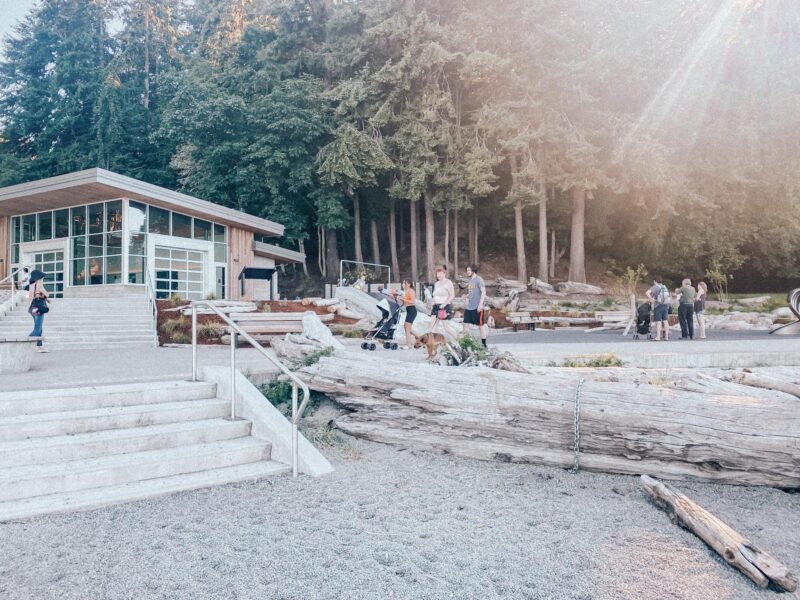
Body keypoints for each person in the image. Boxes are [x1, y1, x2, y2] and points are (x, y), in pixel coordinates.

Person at [462, 263, 488, 347]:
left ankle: (484, 345)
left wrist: (480, 305)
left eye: (469, 270)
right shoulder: (470, 281)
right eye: (467, 270)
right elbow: (471, 293)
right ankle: (466, 343)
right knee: (465, 325)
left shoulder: (479, 279)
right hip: (469, 307)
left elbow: (483, 292)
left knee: (480, 326)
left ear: (473, 270)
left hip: (477, 307)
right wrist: (466, 296)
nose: (467, 272)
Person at [430, 266, 458, 340]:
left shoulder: (448, 282)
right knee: (432, 326)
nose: (438, 275)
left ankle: (458, 339)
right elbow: (435, 295)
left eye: (440, 273)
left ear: (444, 273)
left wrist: (444, 304)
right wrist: (432, 301)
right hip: (436, 306)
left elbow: (452, 295)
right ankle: (432, 346)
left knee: (446, 327)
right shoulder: (436, 283)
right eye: (437, 274)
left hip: (444, 307)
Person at [27, 269, 50, 353]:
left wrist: (47, 299)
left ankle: (39, 347)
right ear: (38, 277)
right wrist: (47, 295)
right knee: (38, 329)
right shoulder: (39, 284)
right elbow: (44, 292)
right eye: (41, 277)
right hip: (39, 307)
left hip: (33, 307)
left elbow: (31, 296)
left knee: (39, 329)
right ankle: (25, 340)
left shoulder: (32, 284)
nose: (42, 278)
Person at [645, 276, 671, 341]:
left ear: (655, 281)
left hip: (658, 306)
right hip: (665, 305)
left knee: (658, 322)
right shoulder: (664, 287)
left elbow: (647, 293)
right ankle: (666, 337)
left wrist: (651, 299)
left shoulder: (655, 287)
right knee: (665, 321)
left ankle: (658, 337)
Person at [400, 279, 417, 348]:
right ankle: (422, 338)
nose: (403, 284)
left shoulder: (411, 291)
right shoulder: (405, 291)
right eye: (403, 283)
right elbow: (404, 303)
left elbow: (413, 301)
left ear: (409, 284)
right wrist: (399, 299)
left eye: (405, 283)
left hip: (412, 310)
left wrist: (403, 299)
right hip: (408, 310)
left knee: (407, 327)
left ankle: (408, 345)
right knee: (407, 328)